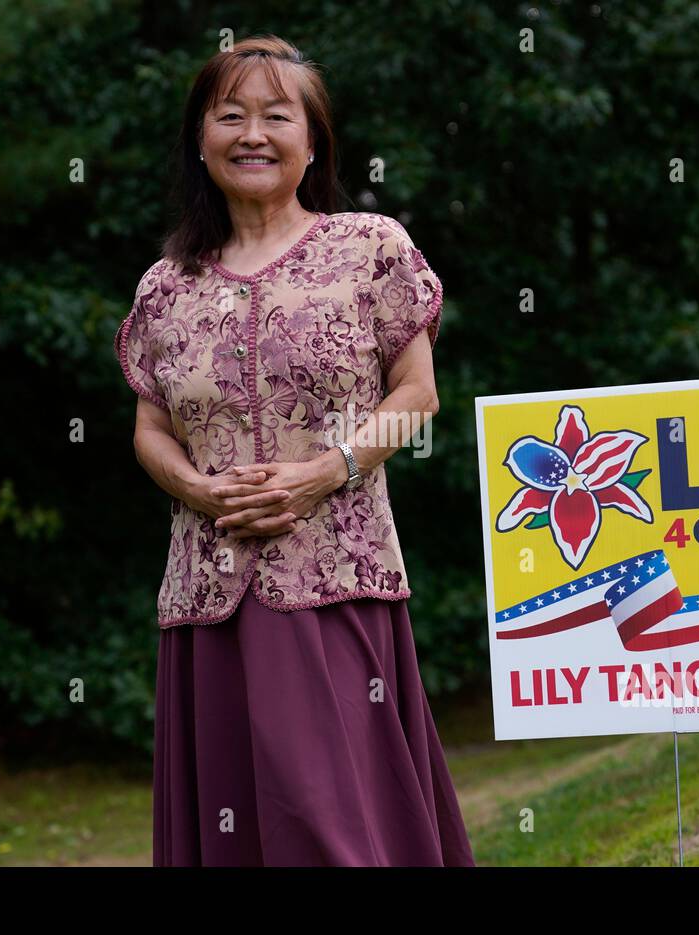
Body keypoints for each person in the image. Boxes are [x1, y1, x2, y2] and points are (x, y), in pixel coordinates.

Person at [114, 34, 475, 866]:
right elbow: (150, 430)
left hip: (338, 581)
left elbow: (416, 395)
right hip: (208, 595)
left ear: (312, 143)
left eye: (277, 116)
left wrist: (324, 473)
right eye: (229, 114)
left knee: (331, 822)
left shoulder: (370, 248)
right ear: (200, 139)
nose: (253, 133)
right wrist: (197, 491)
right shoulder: (166, 286)